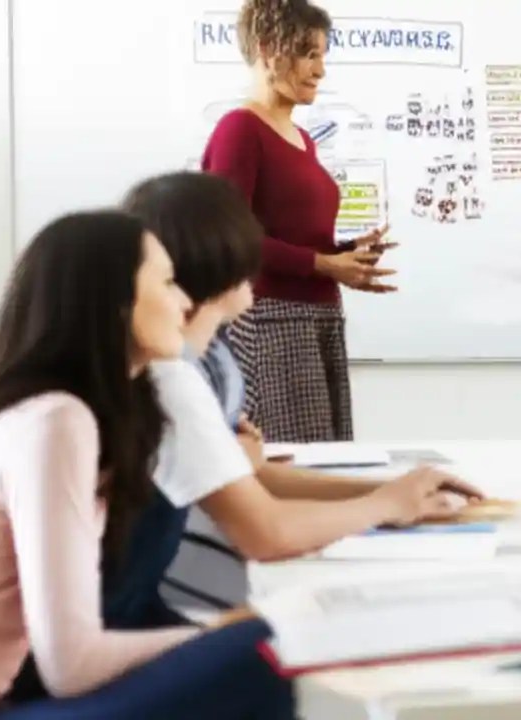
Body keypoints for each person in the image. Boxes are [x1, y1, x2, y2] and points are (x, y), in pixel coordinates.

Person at [103, 171, 482, 628]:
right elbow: (265, 530)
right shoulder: (175, 377)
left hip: (193, 590)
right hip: (186, 600)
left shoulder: (211, 358)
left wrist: (396, 493)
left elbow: (250, 479)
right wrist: (387, 502)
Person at [0, 211, 293, 716]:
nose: (185, 301)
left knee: (259, 641)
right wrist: (217, 631)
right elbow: (71, 664)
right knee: (264, 646)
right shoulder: (55, 422)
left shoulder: (77, 415)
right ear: (114, 301)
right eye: (168, 282)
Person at [203, 0, 395, 443]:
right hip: (272, 323)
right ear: (269, 50)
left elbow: (289, 232)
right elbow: (231, 237)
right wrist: (324, 265)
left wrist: (346, 255)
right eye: (310, 54)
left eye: (323, 55)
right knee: (298, 463)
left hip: (318, 318)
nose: (321, 70)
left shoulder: (302, 138)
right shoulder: (240, 129)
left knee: (329, 459)